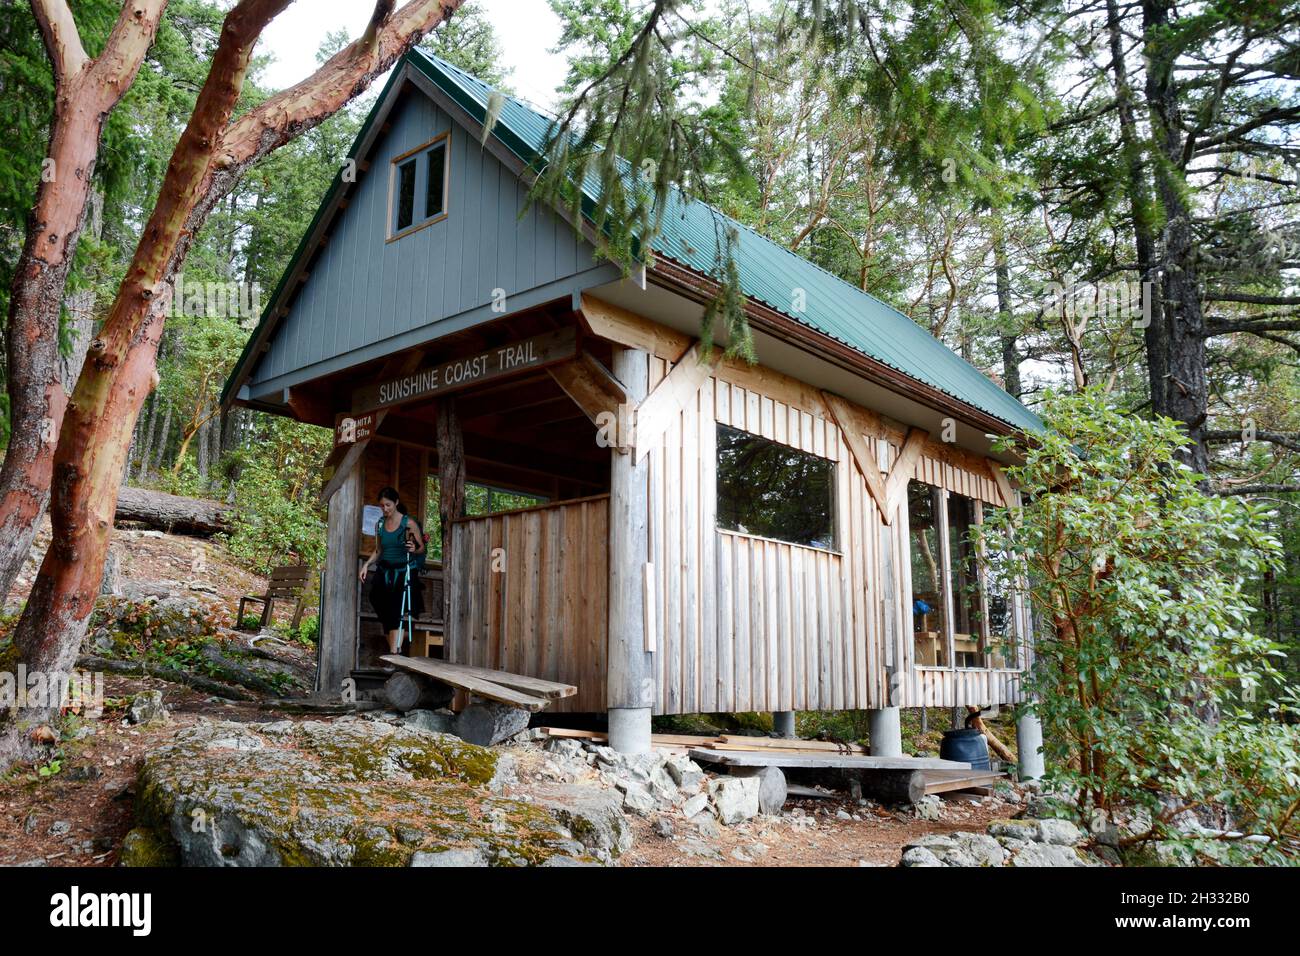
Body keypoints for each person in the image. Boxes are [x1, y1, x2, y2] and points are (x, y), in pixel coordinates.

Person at [358, 487, 426, 655]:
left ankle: (393, 654)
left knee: (396, 610)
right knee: (376, 599)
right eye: (382, 506)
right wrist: (366, 565)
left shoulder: (408, 523)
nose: (385, 509)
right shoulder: (380, 523)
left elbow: (420, 548)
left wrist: (413, 548)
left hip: (403, 571)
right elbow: (379, 549)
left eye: (388, 505)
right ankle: (398, 643)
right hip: (385, 570)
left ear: (396, 502)